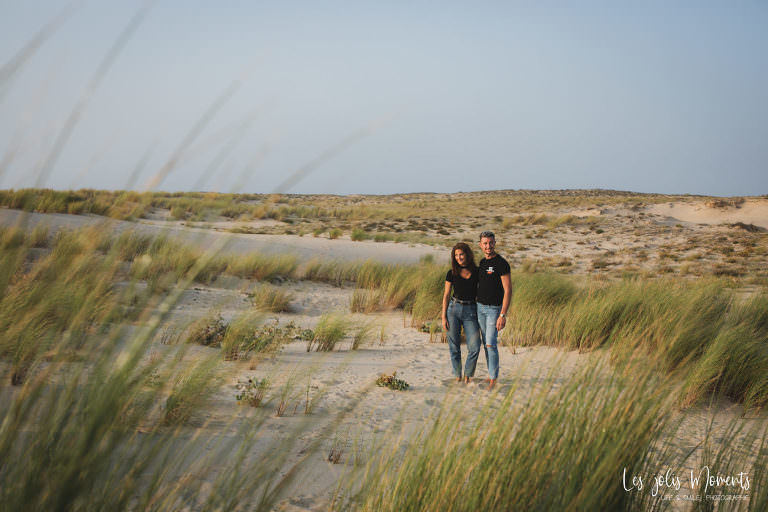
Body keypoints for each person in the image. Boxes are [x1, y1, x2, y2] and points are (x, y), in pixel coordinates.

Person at [441, 242, 482, 384]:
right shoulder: (451, 273)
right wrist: (443, 316)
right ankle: (458, 374)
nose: (459, 258)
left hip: (471, 310)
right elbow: (446, 295)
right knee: (454, 345)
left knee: (475, 346)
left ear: (467, 254)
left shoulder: (477, 271)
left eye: (461, 254)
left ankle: (468, 374)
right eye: (456, 255)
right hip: (453, 309)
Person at [476, 231, 511, 389]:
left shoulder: (501, 263)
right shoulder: (482, 263)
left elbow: (508, 290)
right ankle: (491, 375)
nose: (488, 246)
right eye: (485, 243)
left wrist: (502, 315)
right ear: (480, 245)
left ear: (495, 243)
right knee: (486, 344)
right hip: (480, 308)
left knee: (491, 344)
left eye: (490, 243)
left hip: (494, 310)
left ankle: (494, 380)